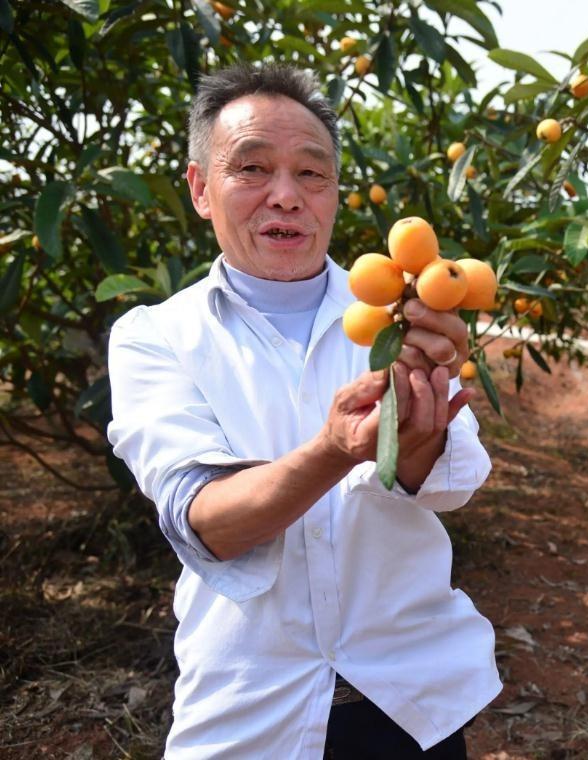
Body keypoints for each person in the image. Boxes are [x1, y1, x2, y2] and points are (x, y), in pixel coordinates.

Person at [107, 63, 501, 758]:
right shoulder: (155, 337)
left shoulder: (403, 319)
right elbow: (208, 523)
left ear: (335, 193)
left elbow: (451, 485)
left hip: (411, 705)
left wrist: (415, 437)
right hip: (251, 716)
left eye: (312, 174)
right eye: (252, 168)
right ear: (200, 189)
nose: (286, 196)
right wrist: (333, 450)